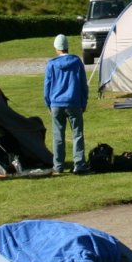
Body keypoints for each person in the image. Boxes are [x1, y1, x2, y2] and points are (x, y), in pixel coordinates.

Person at [44, 34, 88, 175]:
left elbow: (47, 86)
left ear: (56, 48)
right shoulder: (77, 62)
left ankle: (58, 166)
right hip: (74, 102)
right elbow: (83, 84)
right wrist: (84, 102)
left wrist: (48, 103)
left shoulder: (51, 64)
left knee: (58, 136)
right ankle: (79, 164)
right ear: (67, 46)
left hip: (56, 103)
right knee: (77, 134)